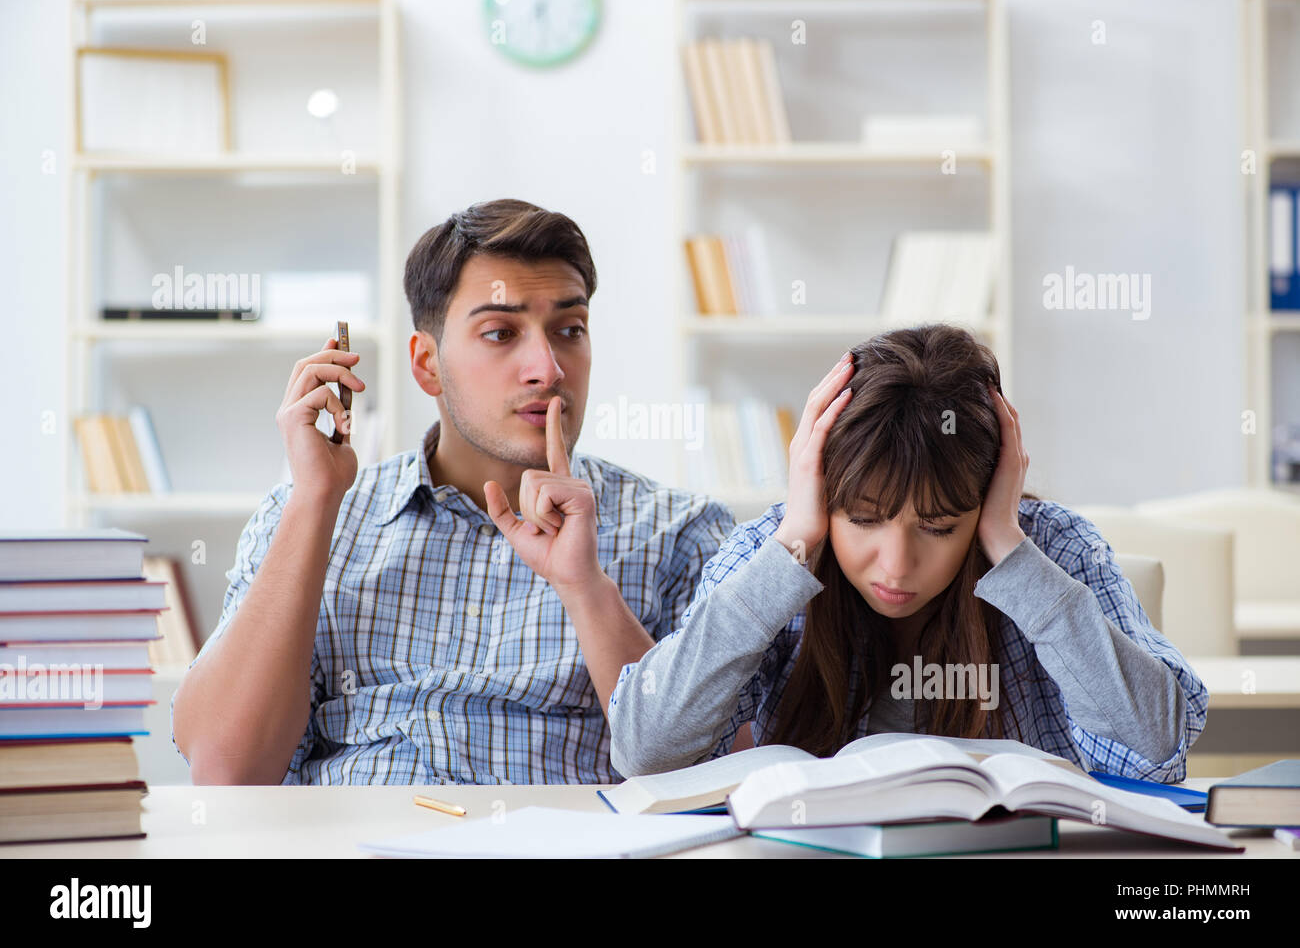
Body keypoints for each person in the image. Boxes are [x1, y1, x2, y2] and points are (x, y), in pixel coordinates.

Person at [172, 198, 735, 784]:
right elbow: (226, 769)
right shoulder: (310, 515)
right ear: (427, 365)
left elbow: (712, 774)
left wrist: (586, 587)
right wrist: (314, 499)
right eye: (500, 333)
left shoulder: (681, 533)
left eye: (570, 330)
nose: (548, 368)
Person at [607, 324, 1208, 783]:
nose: (895, 566)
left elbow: (1156, 748)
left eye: (939, 526)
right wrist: (790, 549)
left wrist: (1010, 552)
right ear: (818, 486)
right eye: (863, 519)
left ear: (990, 495)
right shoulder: (777, 548)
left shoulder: (1050, 546)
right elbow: (645, 749)